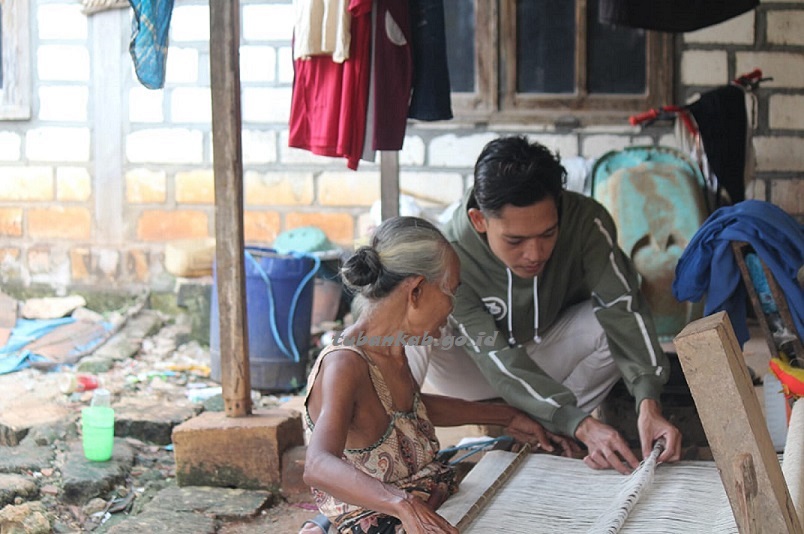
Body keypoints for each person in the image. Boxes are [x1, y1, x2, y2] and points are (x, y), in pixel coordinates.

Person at [406, 135, 683, 476]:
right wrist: (581, 424)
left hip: (541, 350)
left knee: (609, 326)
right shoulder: (452, 250)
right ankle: (400, 438)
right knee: (410, 315)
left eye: (548, 234)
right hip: (470, 369)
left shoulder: (586, 222)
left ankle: (550, 430)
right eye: (515, 241)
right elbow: (497, 358)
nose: (535, 254)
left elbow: (623, 308)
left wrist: (648, 402)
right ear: (480, 221)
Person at [300, 216, 578, 534]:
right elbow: (318, 464)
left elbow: (409, 411)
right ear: (416, 290)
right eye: (451, 291)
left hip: (425, 490)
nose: (451, 307)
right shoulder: (344, 364)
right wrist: (402, 504)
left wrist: (508, 416)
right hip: (380, 517)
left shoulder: (393, 350)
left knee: (521, 462)